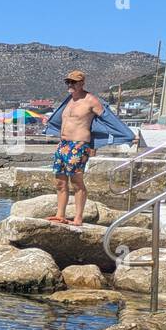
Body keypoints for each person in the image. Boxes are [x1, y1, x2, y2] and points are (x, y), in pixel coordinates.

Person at [48, 70, 101, 226]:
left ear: (82, 83)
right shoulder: (68, 101)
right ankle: (60, 215)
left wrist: (95, 144)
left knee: (76, 182)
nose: (70, 85)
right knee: (60, 182)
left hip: (79, 145)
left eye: (73, 82)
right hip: (63, 145)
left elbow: (106, 120)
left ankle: (78, 218)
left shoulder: (91, 100)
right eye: (68, 82)